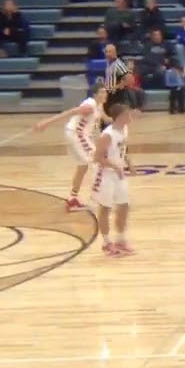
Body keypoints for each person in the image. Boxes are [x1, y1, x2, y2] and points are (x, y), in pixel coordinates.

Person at [34, 81, 108, 211]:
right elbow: (70, 112)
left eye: (105, 91)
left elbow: (107, 119)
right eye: (102, 91)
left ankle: (72, 199)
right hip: (77, 134)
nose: (105, 93)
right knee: (99, 160)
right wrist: (47, 122)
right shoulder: (89, 106)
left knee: (83, 166)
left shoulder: (99, 105)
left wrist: (124, 117)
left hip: (77, 134)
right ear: (95, 94)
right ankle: (98, 197)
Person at [91, 103, 137, 257]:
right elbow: (97, 157)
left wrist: (129, 164)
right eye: (128, 114)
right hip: (105, 174)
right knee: (105, 208)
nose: (130, 116)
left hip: (118, 173)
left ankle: (120, 240)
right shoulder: (107, 135)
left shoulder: (124, 129)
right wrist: (115, 167)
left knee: (124, 206)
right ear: (120, 116)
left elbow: (122, 149)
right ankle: (106, 242)